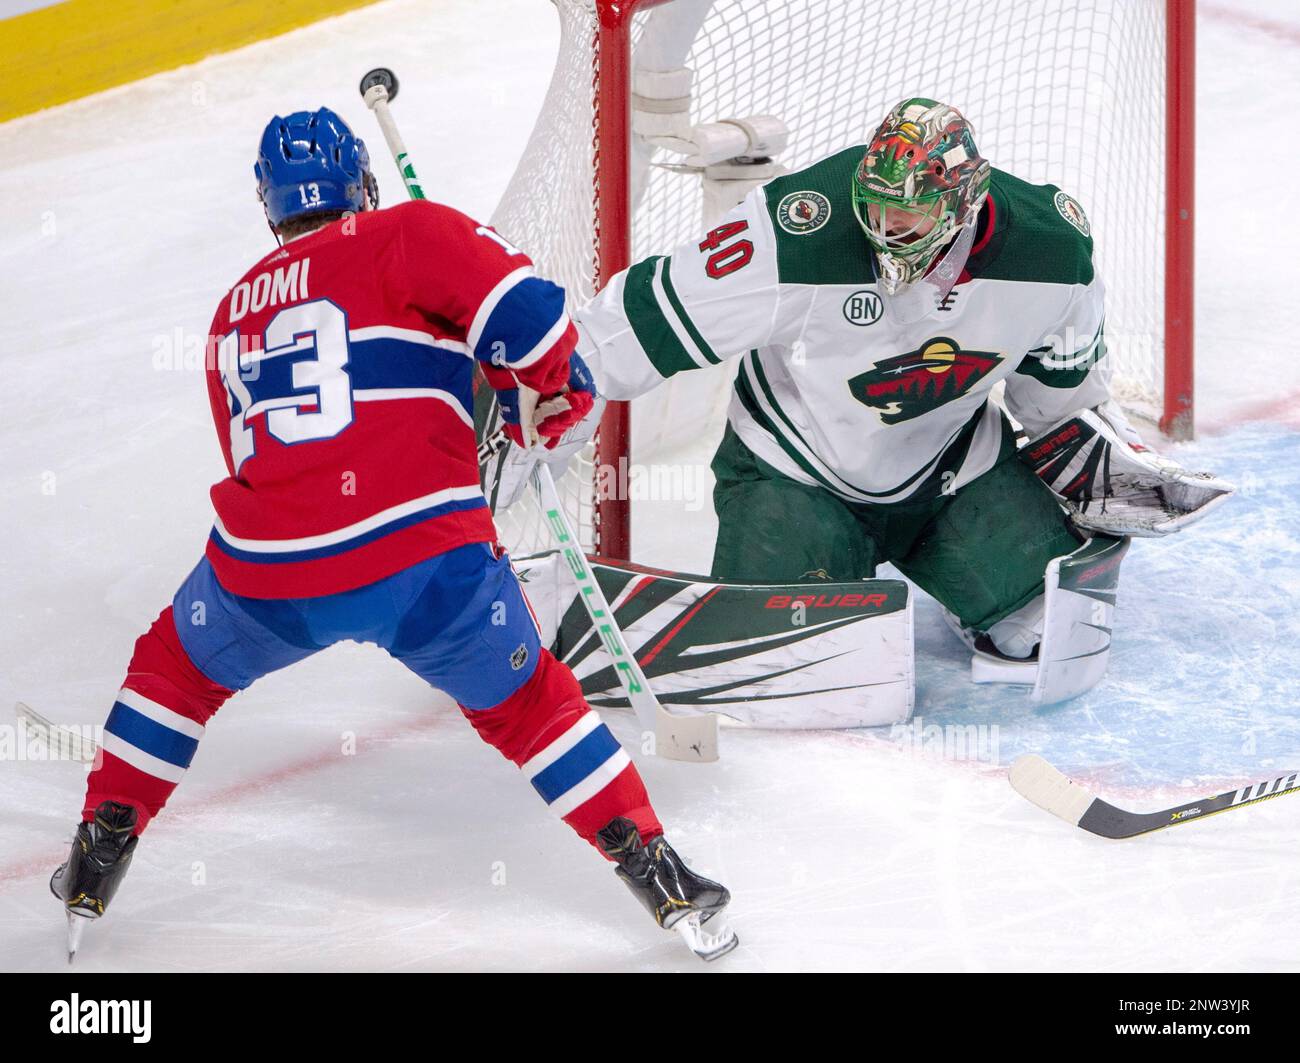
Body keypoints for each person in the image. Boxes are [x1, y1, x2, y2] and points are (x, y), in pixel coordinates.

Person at [50, 107, 735, 963]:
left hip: (267, 574)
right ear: (360, 185)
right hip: (424, 568)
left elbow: (261, 455)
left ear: (271, 208)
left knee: (171, 670)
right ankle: (657, 873)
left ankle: (99, 847)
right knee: (530, 708)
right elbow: (540, 323)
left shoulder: (231, 313)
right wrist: (555, 391)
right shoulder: (412, 232)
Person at [568, 97, 1230, 667]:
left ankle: (958, 572)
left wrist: (1105, 471)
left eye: (905, 218)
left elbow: (1060, 400)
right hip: (796, 474)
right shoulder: (799, 230)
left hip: (949, 469)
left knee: (1047, 629)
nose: (884, 231)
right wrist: (557, 379)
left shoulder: (1051, 249)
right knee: (776, 663)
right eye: (875, 210)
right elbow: (652, 311)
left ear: (964, 200)